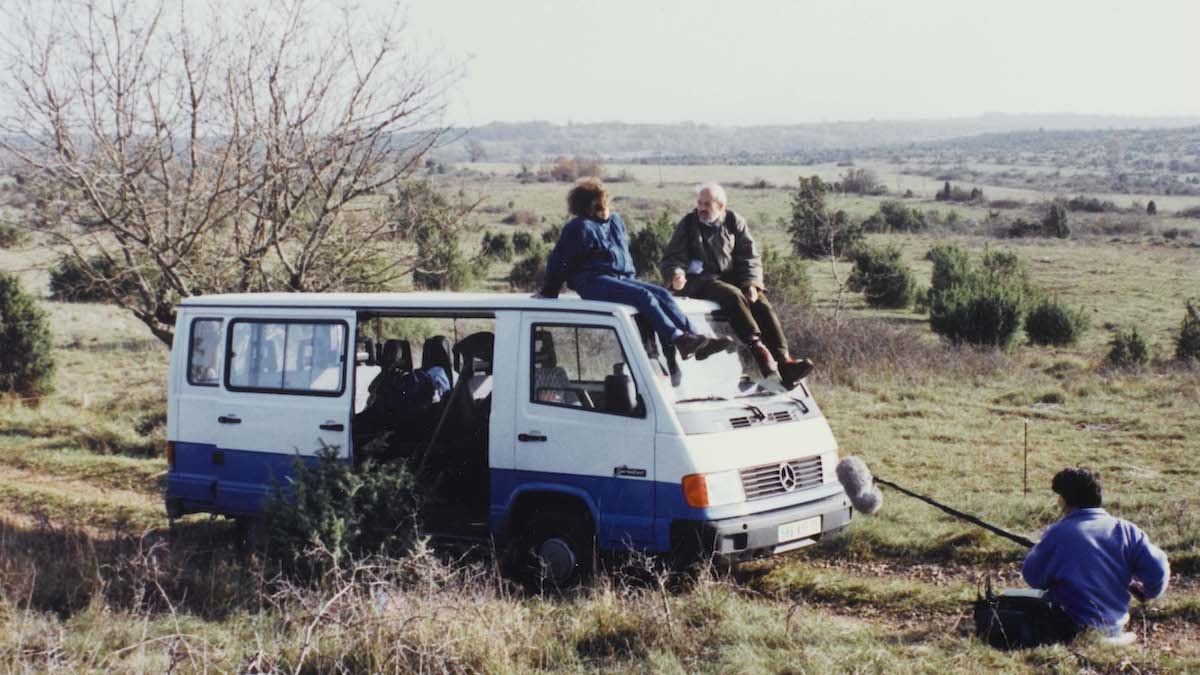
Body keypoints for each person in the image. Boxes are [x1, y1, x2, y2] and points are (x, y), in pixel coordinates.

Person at [538, 178, 732, 360]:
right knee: (644, 296)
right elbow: (561, 261)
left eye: (605, 203)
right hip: (592, 280)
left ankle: (698, 338)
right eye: (597, 205)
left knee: (662, 294)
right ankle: (678, 339)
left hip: (618, 277)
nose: (604, 209)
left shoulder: (615, 222)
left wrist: (628, 279)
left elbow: (623, 255)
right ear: (586, 207)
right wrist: (549, 291)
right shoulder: (579, 227)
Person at [661, 182, 813, 387]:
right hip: (698, 281)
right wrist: (676, 274)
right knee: (732, 295)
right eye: (699, 203)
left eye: (707, 204)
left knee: (759, 302)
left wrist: (751, 283)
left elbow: (749, 257)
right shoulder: (688, 224)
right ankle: (760, 353)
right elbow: (672, 258)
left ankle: (784, 361)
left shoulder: (734, 221)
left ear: (721, 206)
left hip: (728, 278)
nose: (702, 208)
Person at [1021, 467, 1170, 642]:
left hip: (1069, 629)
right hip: (1114, 627)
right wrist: (1149, 592)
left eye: (1060, 496)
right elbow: (1159, 569)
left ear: (1067, 500)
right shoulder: (1126, 530)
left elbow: (1033, 578)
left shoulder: (1058, 532)